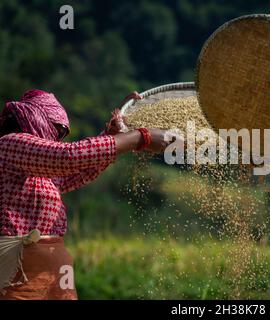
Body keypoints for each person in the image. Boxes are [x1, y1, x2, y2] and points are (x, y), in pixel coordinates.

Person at [0, 89, 175, 299]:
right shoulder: (9, 144)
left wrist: (110, 136)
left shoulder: (37, 169)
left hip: (53, 270)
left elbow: (74, 173)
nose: (57, 137)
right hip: (19, 270)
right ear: (34, 119)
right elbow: (67, 158)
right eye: (56, 130)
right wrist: (140, 137)